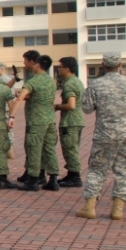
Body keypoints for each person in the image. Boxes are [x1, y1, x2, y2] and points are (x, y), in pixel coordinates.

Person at [75, 52, 126, 221]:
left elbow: (87, 108)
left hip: (104, 134)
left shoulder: (95, 85)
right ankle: (117, 210)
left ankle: (90, 208)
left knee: (97, 170)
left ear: (103, 64)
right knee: (124, 171)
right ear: (120, 64)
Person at [10, 53, 59, 191]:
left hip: (36, 121)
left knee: (34, 149)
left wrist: (12, 117)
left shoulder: (33, 81)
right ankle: (53, 179)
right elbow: (39, 97)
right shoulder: (51, 81)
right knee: (49, 149)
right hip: (50, 119)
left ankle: (32, 180)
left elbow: (20, 98)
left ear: (37, 64)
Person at [55, 56, 85, 188]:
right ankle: (71, 173)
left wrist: (56, 107)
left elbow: (71, 105)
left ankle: (75, 176)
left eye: (60, 67)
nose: (58, 70)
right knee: (72, 148)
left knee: (70, 149)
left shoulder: (69, 84)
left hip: (70, 121)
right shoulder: (76, 81)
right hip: (77, 120)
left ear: (67, 68)